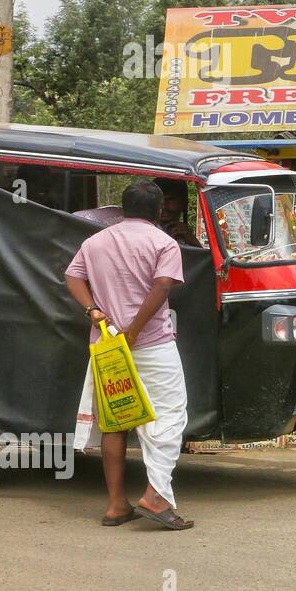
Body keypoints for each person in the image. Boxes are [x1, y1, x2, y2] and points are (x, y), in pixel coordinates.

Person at [64, 180, 194, 531]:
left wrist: (93, 310)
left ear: (122, 209)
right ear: (156, 211)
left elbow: (72, 277)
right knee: (169, 415)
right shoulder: (163, 243)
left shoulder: (95, 242)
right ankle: (155, 495)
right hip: (152, 344)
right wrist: (134, 330)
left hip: (106, 347)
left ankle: (115, 505)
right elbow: (162, 286)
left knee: (116, 421)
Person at [153, 177, 201, 247]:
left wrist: (193, 241)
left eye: (170, 199)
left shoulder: (184, 235)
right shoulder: (144, 233)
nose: (163, 206)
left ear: (183, 203)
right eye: (159, 200)